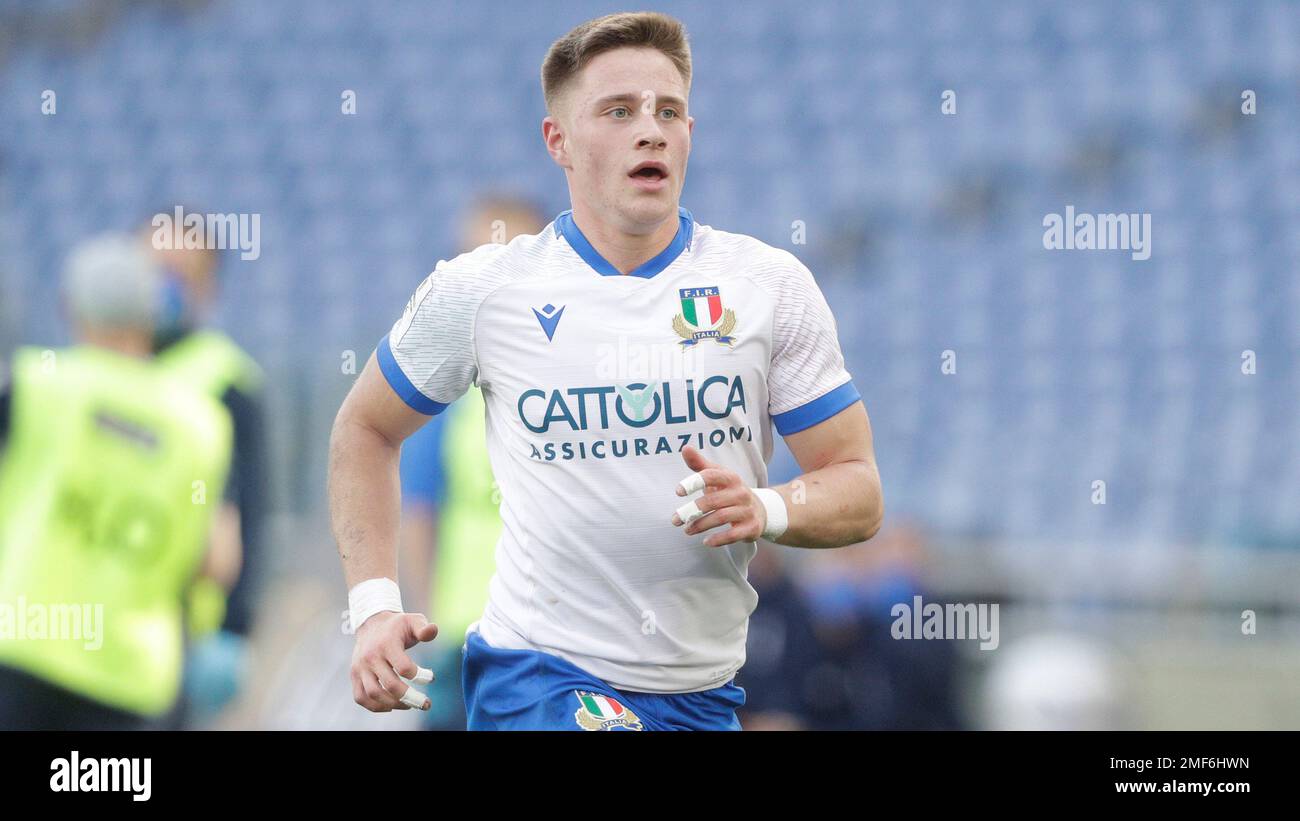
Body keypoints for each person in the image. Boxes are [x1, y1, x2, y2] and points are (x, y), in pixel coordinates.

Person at [328, 11, 884, 731]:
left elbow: (859, 487)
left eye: (669, 112)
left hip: (703, 693)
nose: (649, 130)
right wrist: (374, 608)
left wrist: (767, 506)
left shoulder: (767, 286)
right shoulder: (484, 290)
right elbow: (365, 428)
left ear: (690, 135)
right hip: (539, 673)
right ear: (557, 140)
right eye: (618, 112)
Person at [0, 234, 233, 729]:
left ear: (71, 308)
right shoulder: (201, 423)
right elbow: (217, 559)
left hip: (19, 652)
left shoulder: (32, 384)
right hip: (131, 676)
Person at [398, 197, 546, 729]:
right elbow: (419, 509)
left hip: (553, 641)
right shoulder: (447, 393)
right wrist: (425, 617)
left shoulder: (575, 385)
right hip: (464, 634)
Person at [143, 218, 268, 722]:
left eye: (181, 274)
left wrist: (235, 629)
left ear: (207, 287)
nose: (163, 287)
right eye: (155, 270)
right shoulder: (84, 370)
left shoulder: (226, 378)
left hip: (182, 624)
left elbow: (252, 509)